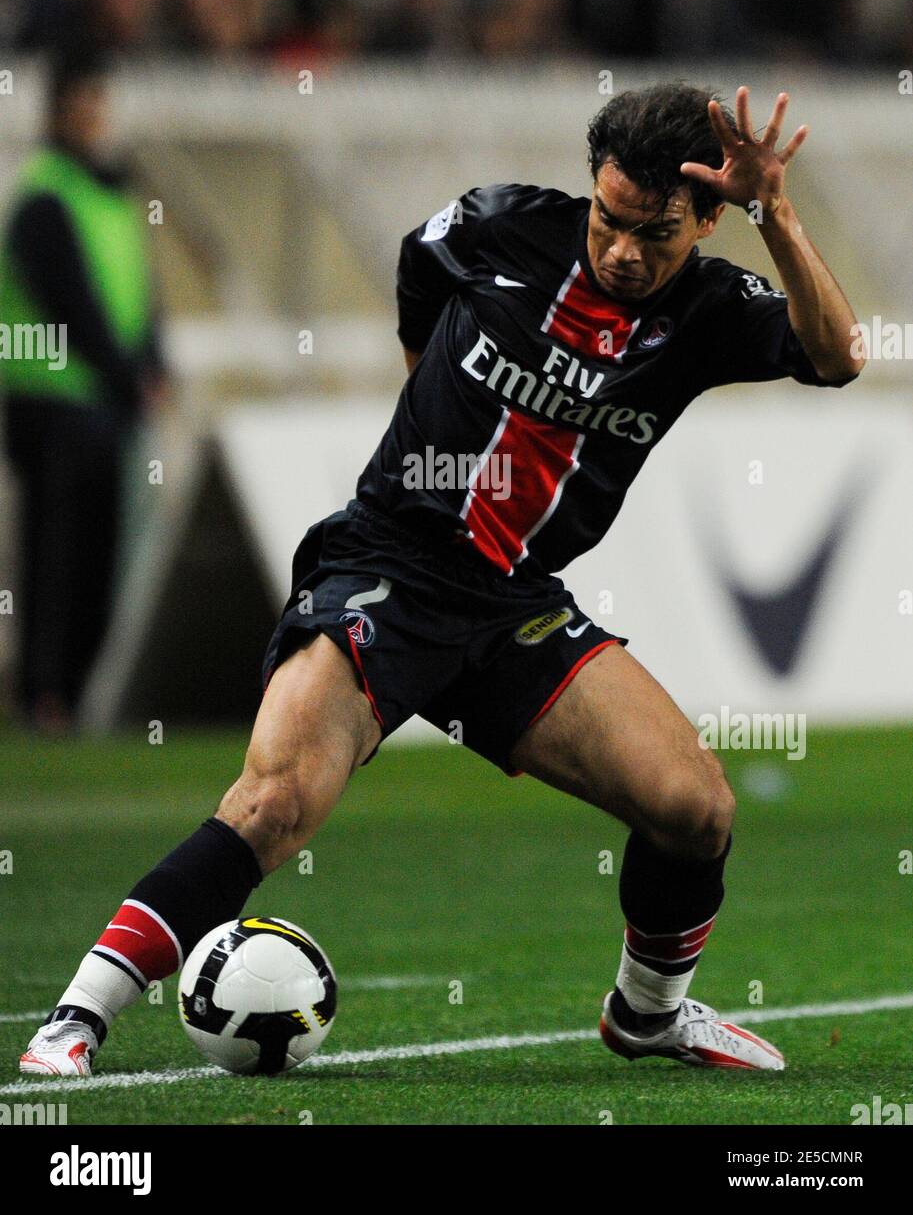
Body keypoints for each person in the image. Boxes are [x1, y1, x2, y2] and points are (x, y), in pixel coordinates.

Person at [20, 82, 861, 1077]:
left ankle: (647, 1013)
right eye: (609, 219)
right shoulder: (500, 223)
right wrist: (424, 363)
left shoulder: (712, 308)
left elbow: (838, 355)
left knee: (696, 807)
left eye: (656, 232)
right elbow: (420, 266)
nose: (624, 250)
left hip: (514, 604)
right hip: (387, 564)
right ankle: (76, 1017)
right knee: (276, 802)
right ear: (589, 190)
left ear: (709, 217)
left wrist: (778, 212)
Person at [0, 50, 164, 732]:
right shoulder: (44, 194)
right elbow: (74, 306)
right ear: (59, 109)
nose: (94, 114)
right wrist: (131, 377)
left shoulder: (112, 193)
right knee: (55, 558)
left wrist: (155, 362)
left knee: (99, 558)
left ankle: (73, 692)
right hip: (52, 404)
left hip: (103, 406)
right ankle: (44, 695)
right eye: (83, 100)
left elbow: (140, 294)